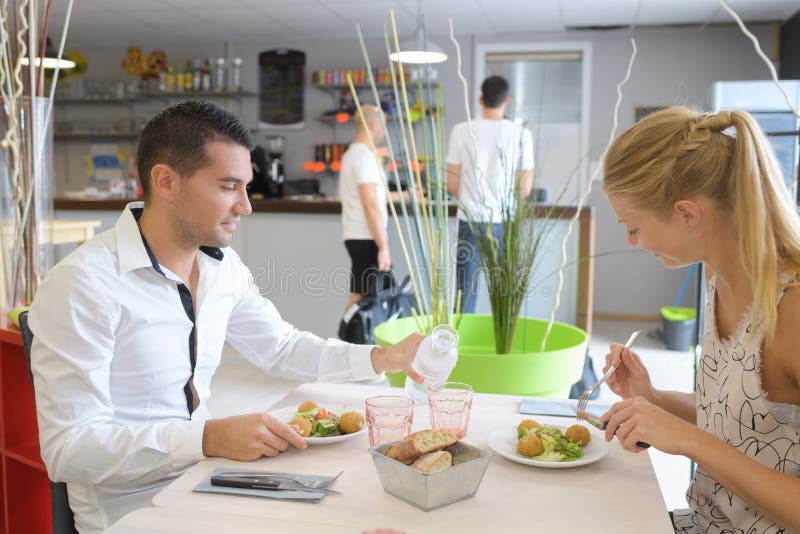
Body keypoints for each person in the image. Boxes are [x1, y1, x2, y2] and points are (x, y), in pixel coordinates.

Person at [28, 101, 424, 534]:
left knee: (368, 513)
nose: (246, 206)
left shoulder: (222, 267)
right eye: (229, 186)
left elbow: (282, 347)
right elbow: (69, 448)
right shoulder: (82, 284)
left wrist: (382, 358)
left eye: (245, 186)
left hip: (208, 479)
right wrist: (207, 437)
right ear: (166, 182)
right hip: (137, 513)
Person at [601, 105, 800, 533]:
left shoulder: (793, 311)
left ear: (687, 214)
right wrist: (653, 399)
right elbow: (750, 423)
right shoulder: (718, 277)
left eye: (634, 227)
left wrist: (691, 443)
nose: (631, 241)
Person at [446, 75, 534, 313]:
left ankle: (460, 348)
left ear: (480, 99)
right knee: (503, 296)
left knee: (465, 294)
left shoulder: (460, 131)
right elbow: (524, 189)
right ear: (506, 100)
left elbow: (451, 184)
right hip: (503, 224)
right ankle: (502, 348)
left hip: (469, 221)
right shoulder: (521, 134)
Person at [339, 104, 391, 311]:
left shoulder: (352, 154)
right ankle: (347, 339)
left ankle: (348, 339)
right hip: (367, 237)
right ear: (373, 125)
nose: (384, 132)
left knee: (361, 294)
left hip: (359, 235)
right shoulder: (364, 157)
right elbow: (370, 205)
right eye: (384, 126)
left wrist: (406, 195)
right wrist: (384, 246)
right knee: (364, 299)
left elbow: (374, 196)